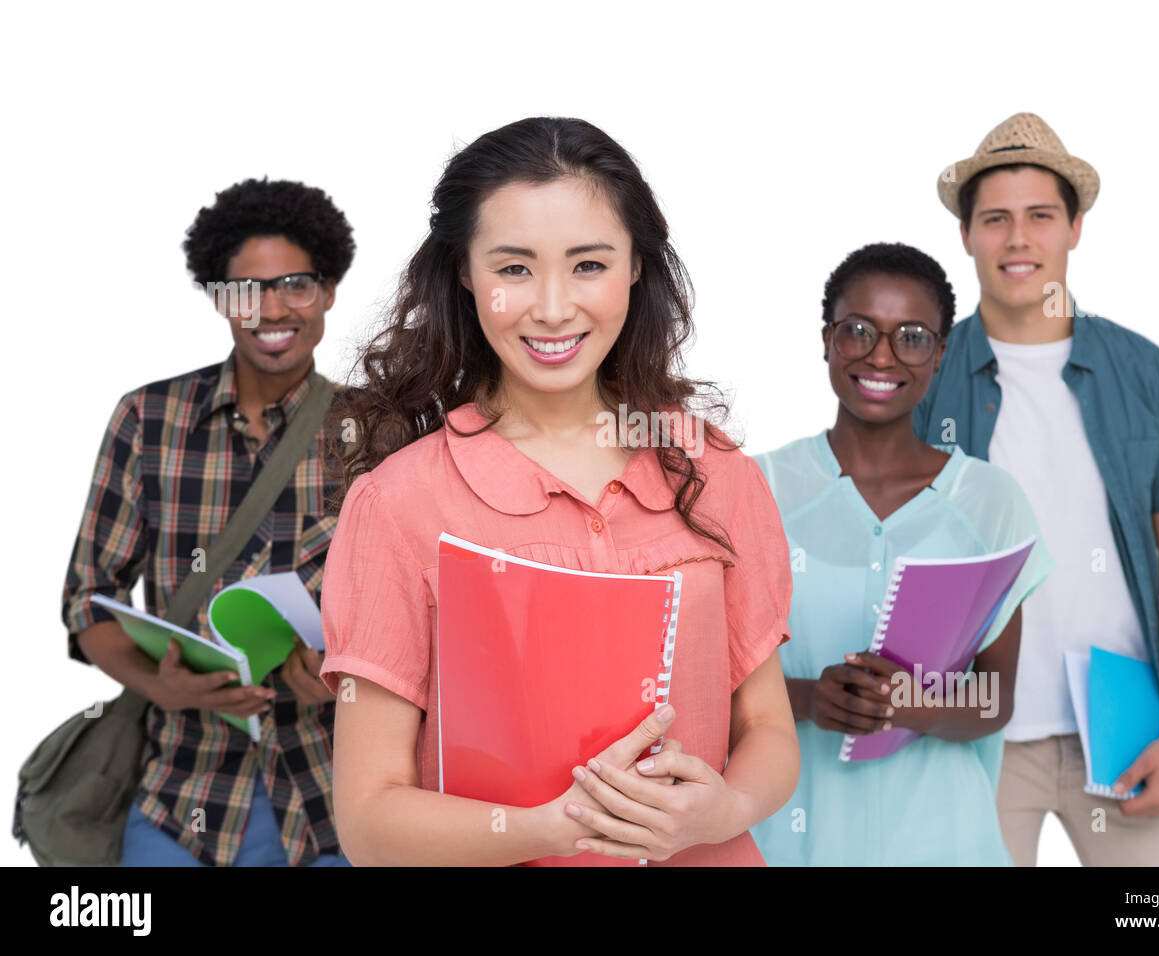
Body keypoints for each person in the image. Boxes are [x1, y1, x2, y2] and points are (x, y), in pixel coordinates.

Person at [318, 116, 800, 866]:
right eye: (513, 269)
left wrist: (723, 810)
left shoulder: (716, 471)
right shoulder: (400, 504)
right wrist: (550, 828)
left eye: (588, 265)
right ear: (464, 274)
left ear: (636, 267)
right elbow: (370, 821)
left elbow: (769, 730)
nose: (551, 307)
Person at [916, 113, 1159, 866]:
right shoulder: (922, 377)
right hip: (973, 742)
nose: (1018, 239)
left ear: (1075, 228)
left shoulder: (1146, 375)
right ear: (966, 236)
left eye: (1039, 217)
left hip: (1129, 735)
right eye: (995, 219)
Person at [62, 178, 356, 866]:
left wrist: (343, 669)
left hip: (334, 806)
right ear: (219, 299)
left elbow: (423, 607)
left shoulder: (375, 430)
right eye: (246, 290)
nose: (272, 309)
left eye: (296, 284)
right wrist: (158, 683)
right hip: (181, 802)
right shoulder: (147, 420)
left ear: (330, 291)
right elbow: (86, 598)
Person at [748, 242, 1051, 866]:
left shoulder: (991, 502)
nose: (881, 355)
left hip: (945, 846)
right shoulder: (755, 491)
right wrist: (807, 699)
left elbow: (995, 700)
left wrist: (921, 707)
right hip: (792, 846)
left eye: (911, 337)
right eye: (858, 330)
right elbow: (699, 681)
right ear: (827, 338)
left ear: (939, 355)